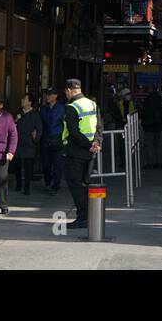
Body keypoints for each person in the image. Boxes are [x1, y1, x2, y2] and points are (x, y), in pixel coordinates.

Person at [61, 79, 101, 230]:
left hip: (76, 151)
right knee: (84, 184)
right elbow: (99, 125)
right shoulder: (92, 104)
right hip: (90, 152)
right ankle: (88, 216)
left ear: (70, 90)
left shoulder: (71, 107)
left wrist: (88, 145)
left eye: (66, 92)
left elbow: (73, 131)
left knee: (75, 184)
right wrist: (96, 142)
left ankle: (83, 217)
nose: (66, 94)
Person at [13, 94, 42, 195]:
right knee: (17, 165)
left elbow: (39, 130)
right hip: (18, 143)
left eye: (24, 99)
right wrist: (16, 120)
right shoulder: (19, 113)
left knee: (28, 166)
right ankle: (18, 184)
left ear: (30, 102)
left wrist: (35, 138)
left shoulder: (35, 115)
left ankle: (27, 187)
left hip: (29, 144)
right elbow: (12, 126)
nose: (22, 100)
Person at [39, 89, 64, 193]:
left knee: (57, 164)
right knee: (46, 164)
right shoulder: (43, 109)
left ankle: (56, 185)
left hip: (57, 138)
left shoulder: (62, 108)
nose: (47, 97)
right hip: (45, 138)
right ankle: (48, 183)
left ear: (55, 95)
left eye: (49, 95)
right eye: (46, 95)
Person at [140, 85, 162, 170]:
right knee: (158, 144)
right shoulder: (160, 99)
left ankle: (150, 162)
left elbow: (144, 112)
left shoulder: (147, 100)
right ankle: (158, 162)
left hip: (149, 125)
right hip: (158, 125)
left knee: (149, 144)